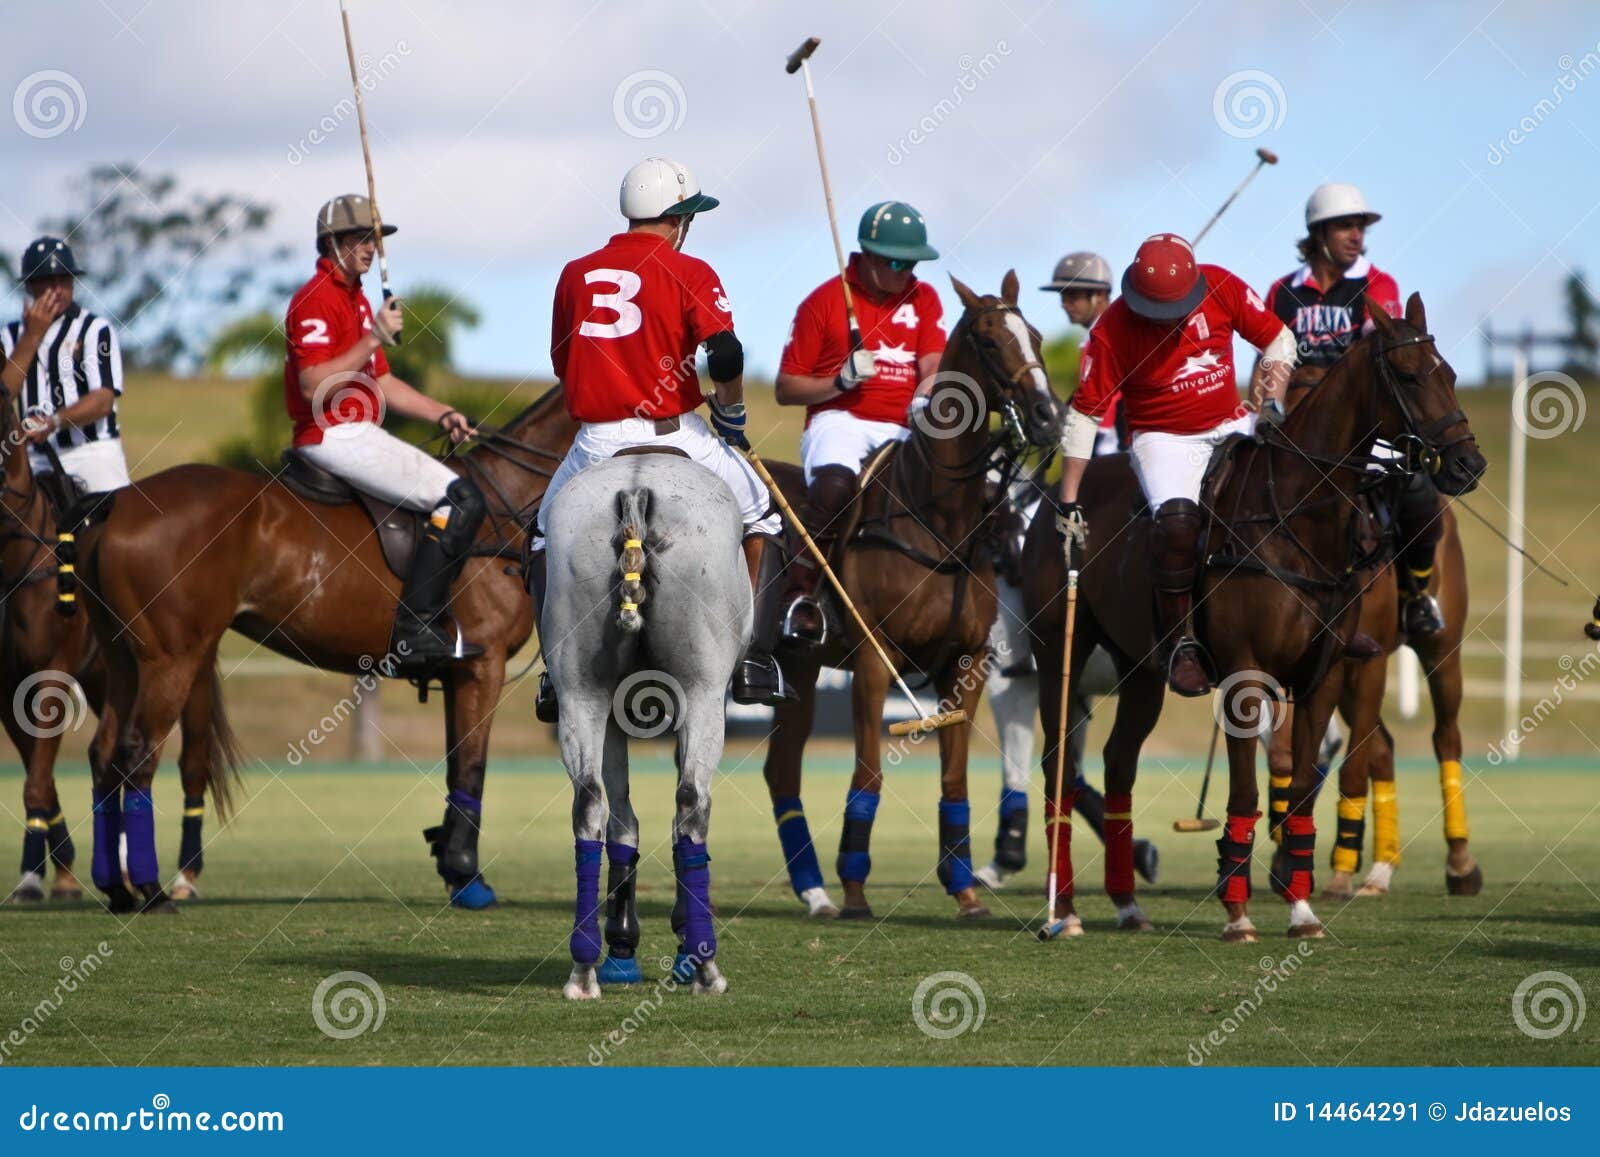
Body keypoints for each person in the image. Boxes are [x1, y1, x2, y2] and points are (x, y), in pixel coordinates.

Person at [527, 157, 792, 720]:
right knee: (765, 514)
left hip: (596, 442)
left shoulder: (576, 272)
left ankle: (557, 672)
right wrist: (732, 410)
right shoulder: (690, 270)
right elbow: (726, 353)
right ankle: (754, 660)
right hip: (677, 432)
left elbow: (561, 362)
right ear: (678, 218)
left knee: (544, 535)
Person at [977, 250, 1157, 889]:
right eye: (1063, 296)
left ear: (1098, 294)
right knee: (1017, 521)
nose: (1066, 305)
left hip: (1120, 466)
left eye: (1074, 296)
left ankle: (1033, 644)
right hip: (1079, 461)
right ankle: (1032, 646)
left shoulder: (1119, 343)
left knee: (1034, 529)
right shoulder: (1083, 347)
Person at [1057, 233, 1297, 696]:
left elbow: (1278, 340)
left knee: (1295, 482)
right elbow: (1086, 413)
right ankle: (1180, 643)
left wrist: (1273, 401)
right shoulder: (1113, 327)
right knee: (1177, 522)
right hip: (1161, 438)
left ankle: (1326, 609)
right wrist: (1069, 498)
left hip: (1231, 422)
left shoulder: (1222, 286)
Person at [284, 194, 485, 671]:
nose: (372, 248)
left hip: (357, 430)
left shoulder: (356, 300)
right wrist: (374, 336)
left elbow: (383, 382)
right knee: (460, 500)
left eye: (374, 239)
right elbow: (313, 385)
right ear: (332, 242)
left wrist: (442, 413)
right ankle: (415, 631)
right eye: (361, 238)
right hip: (329, 431)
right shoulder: (315, 299)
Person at [1266, 183, 1443, 636]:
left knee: (1419, 490)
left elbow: (1376, 358)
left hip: (1359, 425)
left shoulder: (1377, 286)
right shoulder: (1283, 292)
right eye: (1346, 226)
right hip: (1290, 420)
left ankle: (1416, 594)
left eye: (1361, 227)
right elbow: (1266, 353)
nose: (1357, 236)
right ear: (1318, 232)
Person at [774, 201, 947, 646]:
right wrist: (838, 381)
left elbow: (933, 362)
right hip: (841, 420)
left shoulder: (923, 297)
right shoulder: (825, 301)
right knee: (833, 487)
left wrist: (926, 396)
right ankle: (801, 595)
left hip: (906, 424)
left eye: (912, 263)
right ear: (866, 256)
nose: (905, 273)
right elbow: (786, 388)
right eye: (895, 263)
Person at [1, 237, 131, 498]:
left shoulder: (95, 329)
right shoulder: (11, 335)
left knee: (112, 529)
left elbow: (103, 399)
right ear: (30, 286)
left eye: (65, 279)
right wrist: (31, 337)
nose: (58, 289)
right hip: (34, 460)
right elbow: (5, 394)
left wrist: (54, 422)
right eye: (48, 281)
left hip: (92, 453)